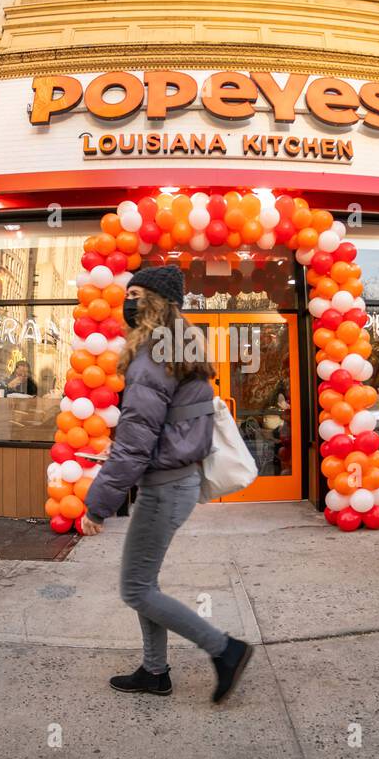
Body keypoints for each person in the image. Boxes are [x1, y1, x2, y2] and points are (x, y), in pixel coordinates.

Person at [78, 265, 253, 703]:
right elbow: (158, 427)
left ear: (156, 301)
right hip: (176, 480)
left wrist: (98, 504)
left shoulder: (153, 353)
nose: (128, 301)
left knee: (135, 587)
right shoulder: (178, 346)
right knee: (145, 584)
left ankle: (225, 650)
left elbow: (137, 439)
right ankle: (155, 672)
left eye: (136, 292)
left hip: (165, 486)